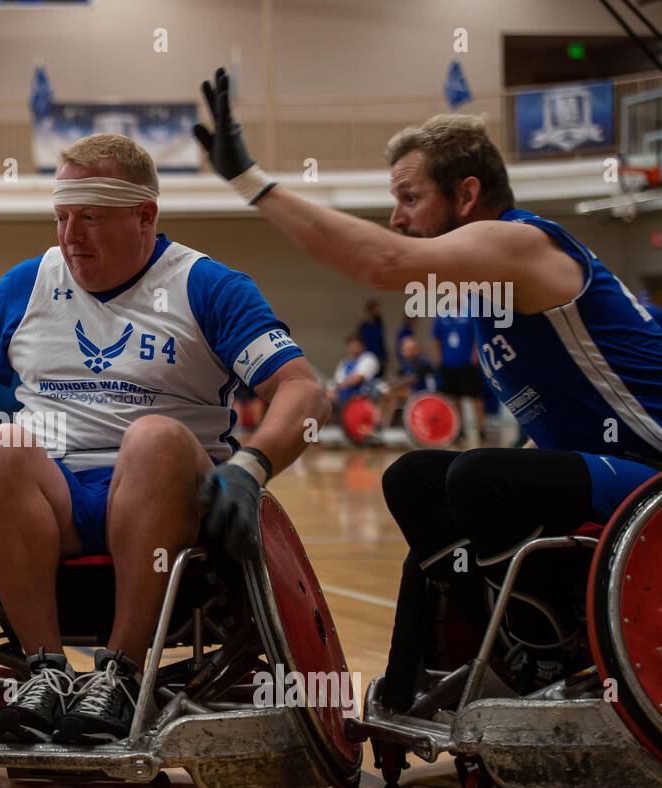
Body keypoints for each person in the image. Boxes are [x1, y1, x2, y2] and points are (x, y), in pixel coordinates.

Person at [194, 69, 662, 712]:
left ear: (466, 193)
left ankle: (554, 647)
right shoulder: (481, 286)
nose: (396, 217)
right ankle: (489, 658)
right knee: (412, 476)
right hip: (611, 471)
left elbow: (379, 262)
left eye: (409, 198)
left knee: (476, 476)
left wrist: (251, 181)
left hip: (652, 478)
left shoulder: (520, 243)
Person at [0, 132, 329, 746]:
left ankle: (120, 674)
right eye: (63, 217)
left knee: (152, 437)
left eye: (92, 218)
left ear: (144, 215)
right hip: (56, 502)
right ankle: (45, 670)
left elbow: (305, 392)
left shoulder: (207, 285)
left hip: (172, 504)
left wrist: (252, 467)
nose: (72, 236)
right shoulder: (30, 283)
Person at [431, 296, 485, 444]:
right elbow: (437, 339)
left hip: (467, 363)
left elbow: (478, 336)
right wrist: (439, 358)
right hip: (449, 363)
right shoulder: (441, 316)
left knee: (475, 397)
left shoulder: (471, 314)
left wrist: (475, 353)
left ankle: (481, 429)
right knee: (455, 398)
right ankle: (459, 429)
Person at [377, 336, 436, 429]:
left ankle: (384, 424)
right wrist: (389, 383)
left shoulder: (422, 362)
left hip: (424, 394)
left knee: (393, 394)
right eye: (404, 349)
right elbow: (396, 377)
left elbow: (412, 379)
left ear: (416, 349)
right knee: (386, 394)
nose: (405, 352)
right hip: (409, 393)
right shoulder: (406, 364)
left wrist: (395, 383)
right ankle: (380, 423)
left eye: (409, 349)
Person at [329, 332, 380, 405]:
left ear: (362, 346)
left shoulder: (368, 358)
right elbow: (337, 380)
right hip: (343, 396)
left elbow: (357, 379)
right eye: (350, 345)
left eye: (355, 345)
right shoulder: (344, 362)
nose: (352, 348)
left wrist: (338, 388)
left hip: (361, 396)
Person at [357, 298, 388, 371]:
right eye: (376, 309)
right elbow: (360, 341)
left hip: (379, 355)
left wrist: (385, 356)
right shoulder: (364, 326)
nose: (378, 311)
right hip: (367, 355)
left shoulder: (379, 324)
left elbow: (382, 341)